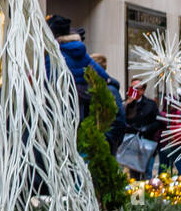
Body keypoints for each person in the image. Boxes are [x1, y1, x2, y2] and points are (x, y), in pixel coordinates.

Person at [46, 14, 126, 147]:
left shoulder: (54, 57)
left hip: (64, 111)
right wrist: (112, 83)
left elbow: (48, 84)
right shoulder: (80, 52)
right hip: (81, 110)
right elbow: (104, 76)